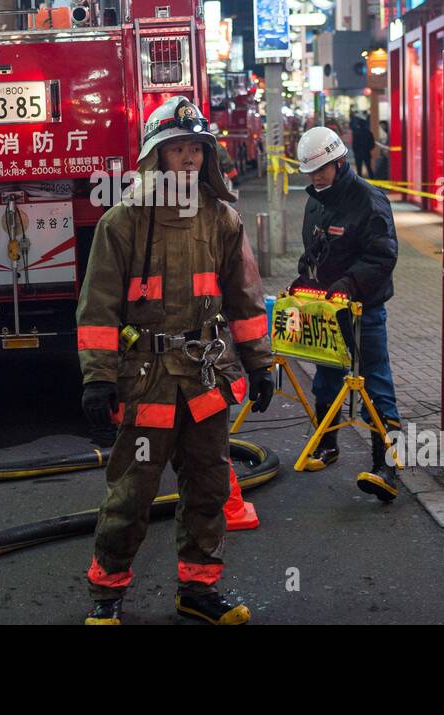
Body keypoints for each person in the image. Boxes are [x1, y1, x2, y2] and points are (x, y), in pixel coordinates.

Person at [78, 96, 275, 625]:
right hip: (146, 383)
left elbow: (246, 299)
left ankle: (199, 589)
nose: (187, 158)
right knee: (131, 495)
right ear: (155, 157)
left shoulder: (221, 219)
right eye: (176, 149)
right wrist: (98, 379)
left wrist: (259, 362)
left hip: (206, 380)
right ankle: (107, 593)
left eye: (195, 149)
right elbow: (97, 308)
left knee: (209, 486)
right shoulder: (122, 222)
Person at [293, 125, 401, 502]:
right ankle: (327, 444)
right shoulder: (316, 199)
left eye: (321, 170)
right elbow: (316, 247)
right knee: (326, 380)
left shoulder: (369, 200)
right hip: (327, 310)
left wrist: (349, 284)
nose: (316, 178)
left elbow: (383, 255)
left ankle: (386, 465)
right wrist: (304, 274)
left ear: (340, 163)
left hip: (363, 311)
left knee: (376, 384)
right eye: (310, 173)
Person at [349, 108, 375, 177]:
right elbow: (372, 144)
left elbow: (354, 144)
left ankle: (360, 182)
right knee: (369, 168)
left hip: (358, 153)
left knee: (359, 169)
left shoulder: (356, 133)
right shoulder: (369, 133)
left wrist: (356, 151)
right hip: (366, 153)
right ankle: (373, 181)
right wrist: (368, 149)